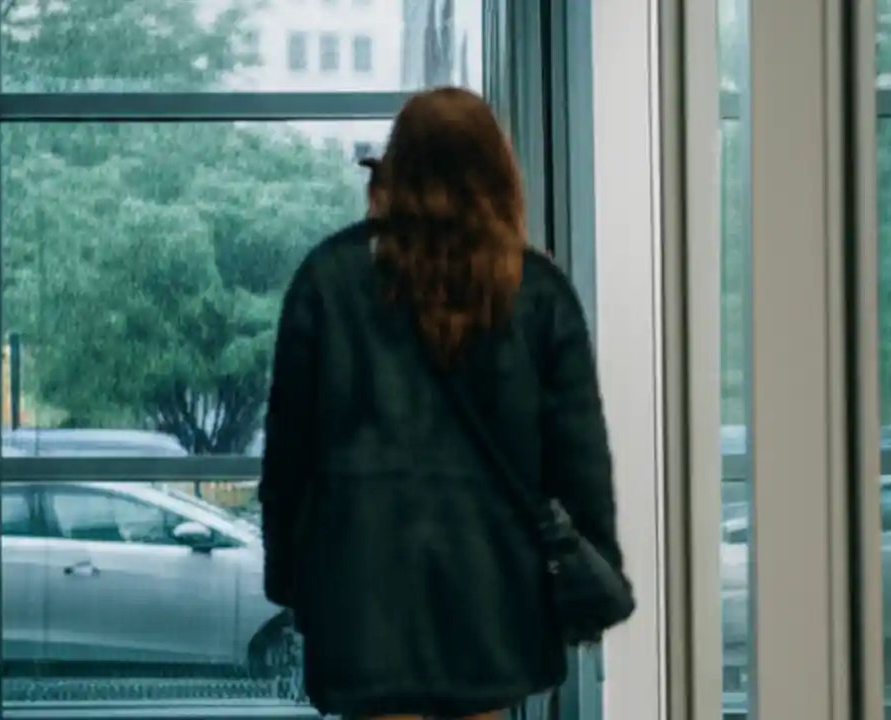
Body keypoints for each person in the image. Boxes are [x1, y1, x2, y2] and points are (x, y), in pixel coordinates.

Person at [260, 87, 624, 720]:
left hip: (361, 594)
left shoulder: (327, 278)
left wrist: (291, 579)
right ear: (498, 174)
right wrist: (591, 573)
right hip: (494, 601)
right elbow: (579, 461)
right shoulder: (538, 291)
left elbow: (287, 458)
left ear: (397, 167)